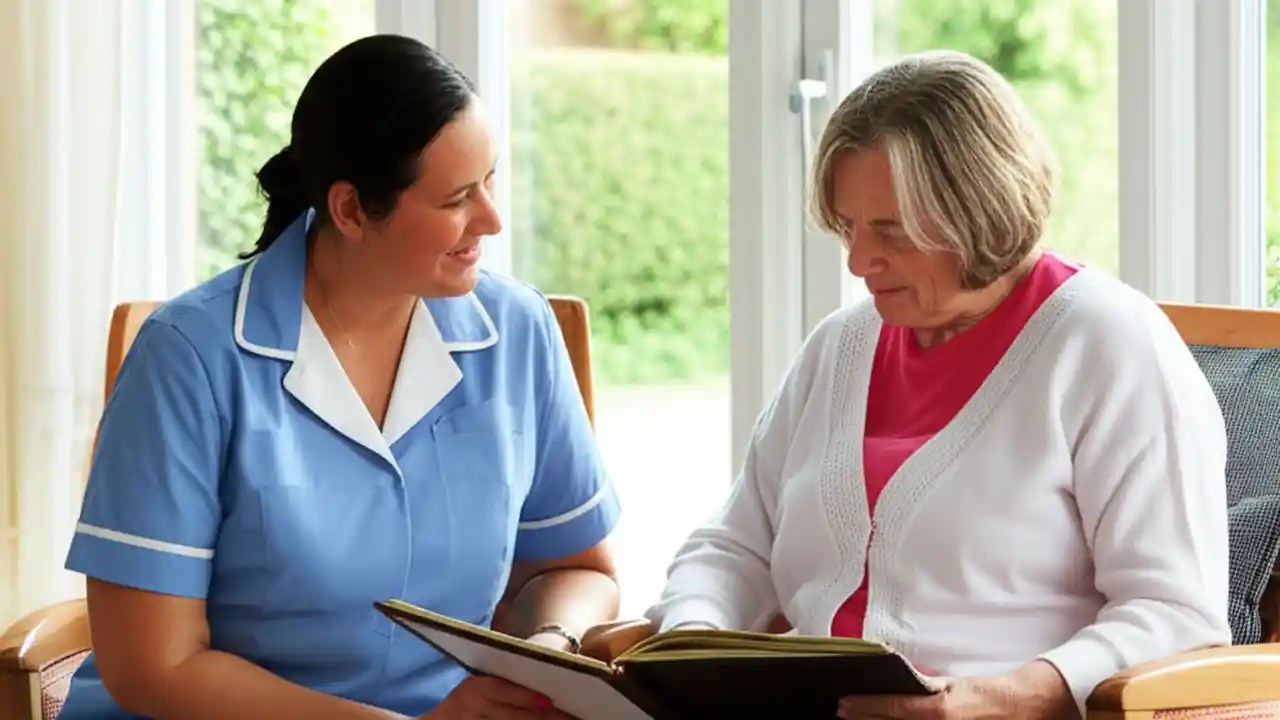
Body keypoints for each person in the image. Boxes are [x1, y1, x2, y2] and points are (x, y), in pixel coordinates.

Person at [642, 50, 1230, 719]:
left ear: (979, 209)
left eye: (891, 231)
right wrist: (693, 637)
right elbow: (735, 544)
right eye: (848, 227)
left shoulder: (1109, 345)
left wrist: (998, 698)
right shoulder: (841, 345)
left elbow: (1175, 610)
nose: (860, 261)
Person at [59, 34, 620, 719]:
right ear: (352, 209)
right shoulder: (187, 357)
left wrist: (548, 650)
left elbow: (574, 567)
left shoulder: (519, 332)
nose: (493, 219)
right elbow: (153, 666)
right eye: (456, 199)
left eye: (491, 181)